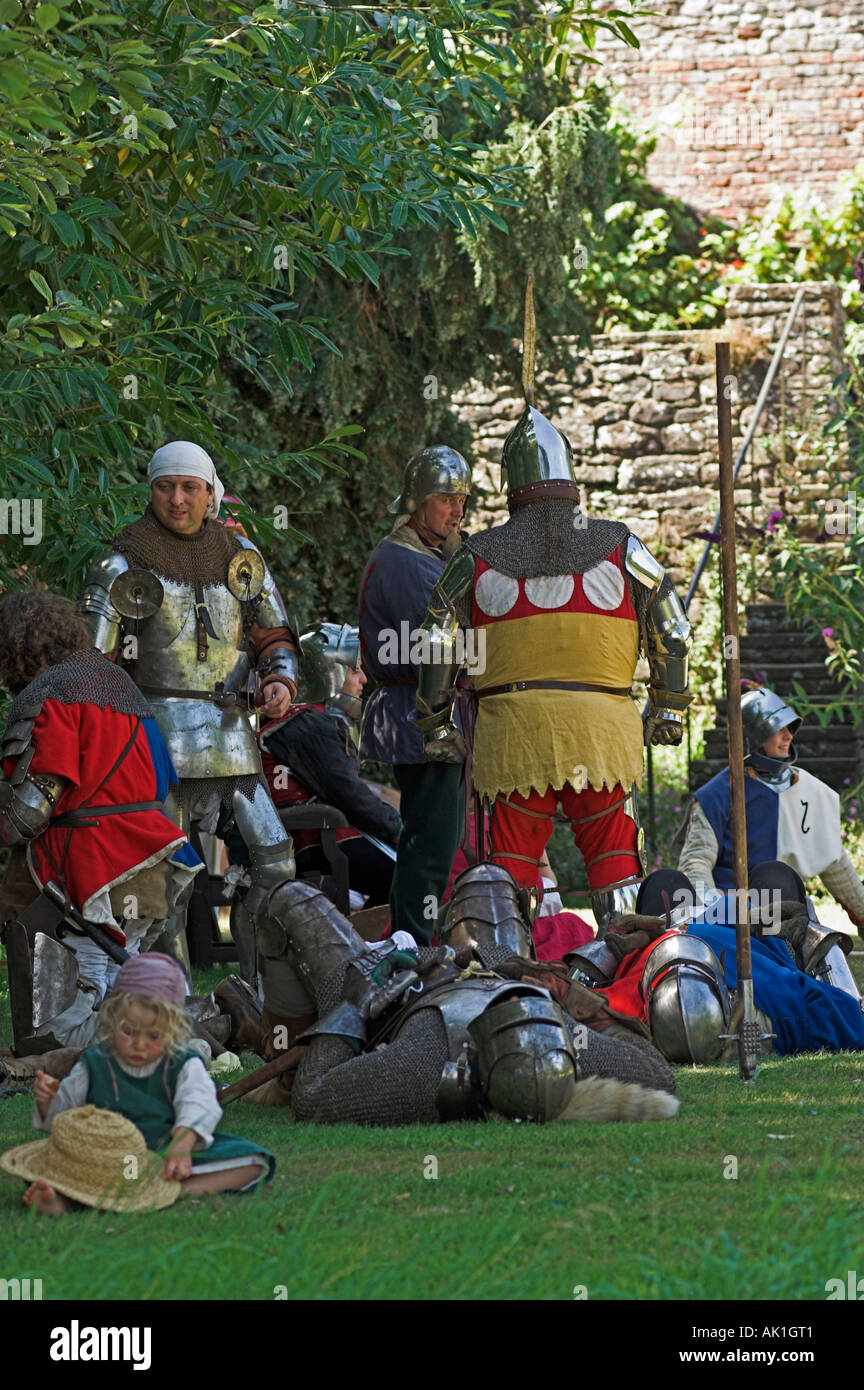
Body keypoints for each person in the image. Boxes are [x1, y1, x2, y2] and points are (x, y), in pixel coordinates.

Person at [414, 389, 692, 935]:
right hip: (602, 735)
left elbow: (436, 641)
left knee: (508, 879)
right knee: (616, 870)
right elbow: (675, 633)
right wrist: (669, 708)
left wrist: (436, 725)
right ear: (571, 479)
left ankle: (510, 987)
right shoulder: (620, 545)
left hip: (515, 740)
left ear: (509, 485)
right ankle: (628, 982)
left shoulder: (476, 556)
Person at [77, 440, 301, 1052]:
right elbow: (91, 670)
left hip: (233, 734)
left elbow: (273, 634)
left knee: (276, 863)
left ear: (210, 492)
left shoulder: (243, 558)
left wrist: (279, 677)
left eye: (188, 487)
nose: (177, 499)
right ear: (150, 491)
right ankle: (178, 1010)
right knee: (167, 882)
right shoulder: (120, 566)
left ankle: (262, 992)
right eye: (164, 487)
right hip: (156, 740)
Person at [254, 870, 679, 1125]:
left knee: (290, 900)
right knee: (488, 879)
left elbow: (311, 1094)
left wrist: (351, 1006)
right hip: (499, 972)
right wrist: (564, 993)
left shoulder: (414, 1071)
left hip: (396, 993)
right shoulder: (560, 1047)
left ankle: (272, 1040)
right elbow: (657, 1073)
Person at [0, 590, 201, 1055]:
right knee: (116, 987)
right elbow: (161, 781)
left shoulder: (49, 693)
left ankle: (179, 1040)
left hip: (90, 868)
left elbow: (27, 813)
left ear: (13, 649)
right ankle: (206, 1021)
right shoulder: (120, 686)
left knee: (82, 1004)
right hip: (150, 857)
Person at [1, 953, 274, 1214]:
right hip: (106, 1159)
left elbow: (199, 1105)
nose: (139, 1044)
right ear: (111, 1019)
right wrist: (50, 1104)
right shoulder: (95, 1062)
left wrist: (181, 1145)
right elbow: (66, 1121)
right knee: (45, 1166)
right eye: (128, 1031)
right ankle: (68, 1197)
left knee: (254, 1162)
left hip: (165, 1154)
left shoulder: (183, 1064)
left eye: (154, 1036)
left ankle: (167, 1190)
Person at [358, 446, 471, 943]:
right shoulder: (405, 563)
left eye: (463, 500)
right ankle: (413, 946)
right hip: (425, 713)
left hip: (429, 711)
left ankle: (415, 939)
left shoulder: (425, 555)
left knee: (433, 840)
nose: (457, 511)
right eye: (447, 499)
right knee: (430, 844)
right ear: (418, 501)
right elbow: (440, 646)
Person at [581, 867, 864, 1060]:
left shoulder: (619, 1005)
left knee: (665, 881)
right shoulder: (785, 1003)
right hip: (741, 940)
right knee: (775, 876)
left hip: (668, 937)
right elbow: (848, 1015)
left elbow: (573, 996)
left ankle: (683, 918)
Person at [674, 685, 864, 928]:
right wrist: (716, 910)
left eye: (789, 728)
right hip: (730, 917)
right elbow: (696, 863)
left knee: (831, 959)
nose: (788, 736)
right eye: (777, 729)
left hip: (787, 914)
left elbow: (835, 862)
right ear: (754, 738)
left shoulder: (810, 790)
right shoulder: (717, 795)